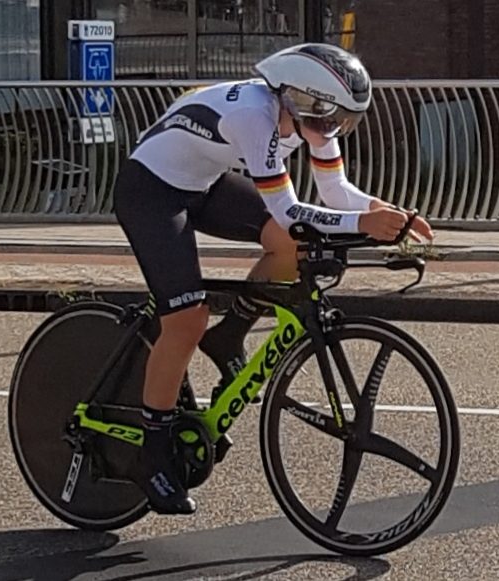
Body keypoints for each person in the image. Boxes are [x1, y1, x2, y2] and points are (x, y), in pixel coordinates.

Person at [113, 42, 434, 515]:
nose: (333, 131)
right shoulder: (254, 115)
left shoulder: (309, 115)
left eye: (344, 122)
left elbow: (336, 192)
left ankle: (231, 336)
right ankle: (153, 449)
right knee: (185, 319)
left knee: (294, 248)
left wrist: (382, 213)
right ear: (301, 99)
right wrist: (364, 227)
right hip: (152, 190)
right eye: (330, 120)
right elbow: (287, 211)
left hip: (204, 183)